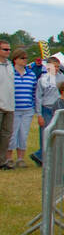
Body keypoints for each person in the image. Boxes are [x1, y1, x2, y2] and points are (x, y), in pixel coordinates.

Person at [7, 49, 39, 167]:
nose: (25, 60)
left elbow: (34, 91)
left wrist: (34, 107)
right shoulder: (10, 73)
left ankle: (20, 159)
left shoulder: (31, 74)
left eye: (26, 58)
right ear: (15, 60)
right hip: (13, 109)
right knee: (12, 134)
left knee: (23, 134)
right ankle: (9, 158)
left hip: (27, 109)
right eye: (22, 58)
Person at [31, 54, 64, 166]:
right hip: (46, 109)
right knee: (45, 134)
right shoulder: (42, 80)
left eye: (58, 66)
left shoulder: (62, 78)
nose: (56, 69)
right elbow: (38, 97)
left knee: (56, 134)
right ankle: (42, 156)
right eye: (54, 66)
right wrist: (39, 115)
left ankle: (42, 156)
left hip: (58, 109)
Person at [0, 40, 13, 170]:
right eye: (5, 49)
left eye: (9, 49)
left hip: (9, 106)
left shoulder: (10, 65)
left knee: (6, 135)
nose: (8, 52)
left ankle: (2, 161)